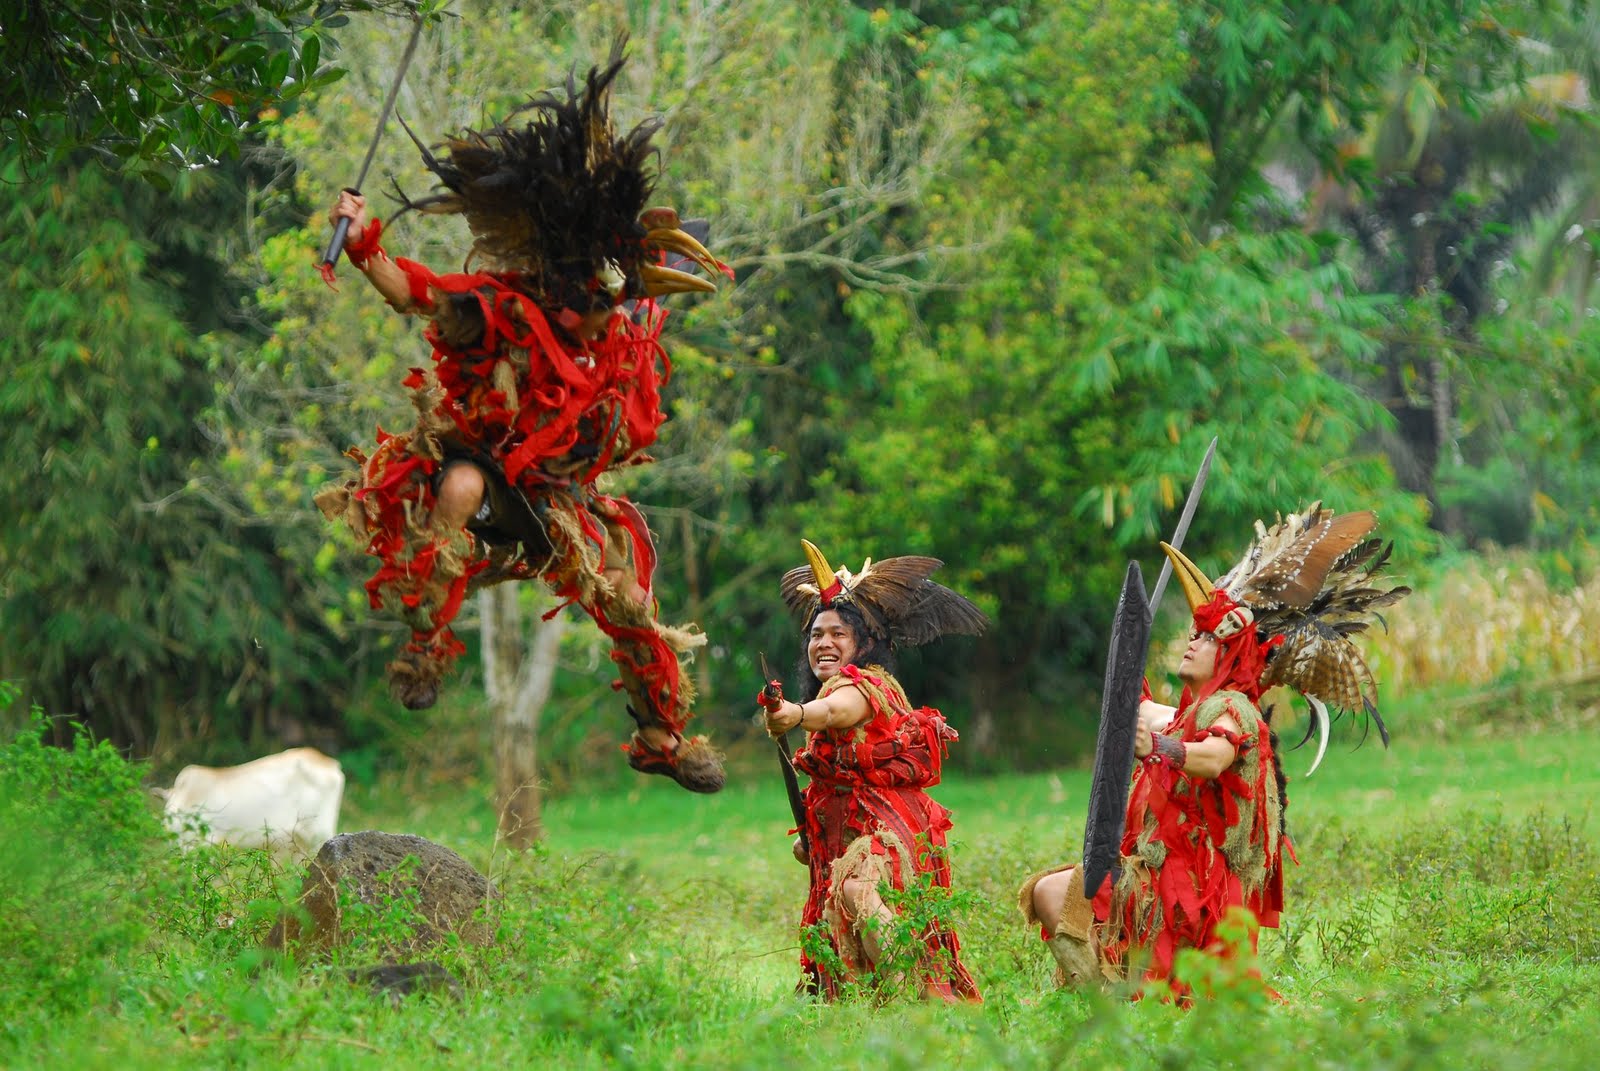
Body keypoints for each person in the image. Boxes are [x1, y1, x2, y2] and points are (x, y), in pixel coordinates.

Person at [314, 46, 730, 792]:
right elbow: (412, 290)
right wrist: (362, 239)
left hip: (558, 492)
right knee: (463, 490)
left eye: (603, 296)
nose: (590, 309)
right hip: (481, 461)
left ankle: (659, 732)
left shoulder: (627, 335)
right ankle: (425, 644)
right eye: (581, 296)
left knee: (630, 596)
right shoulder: (503, 306)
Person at [1019, 503, 1409, 995]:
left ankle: (1110, 999)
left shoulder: (1233, 709)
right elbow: (1150, 719)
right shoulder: (1189, 713)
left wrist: (1158, 747)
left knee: (1054, 892)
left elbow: (1213, 755)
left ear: (1228, 652)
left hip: (1191, 891)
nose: (1190, 642)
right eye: (1192, 633)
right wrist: (1127, 683)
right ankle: (1110, 995)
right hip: (1153, 872)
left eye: (1204, 637)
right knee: (1055, 893)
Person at [760, 539, 987, 1002]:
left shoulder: (864, 685)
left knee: (857, 890)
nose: (823, 643)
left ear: (865, 644)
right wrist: (814, 836)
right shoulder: (825, 693)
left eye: (838, 634)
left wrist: (795, 714)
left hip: (886, 829)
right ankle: (888, 1011)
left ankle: (917, 997)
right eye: (816, 634)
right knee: (847, 908)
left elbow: (839, 711)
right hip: (849, 831)